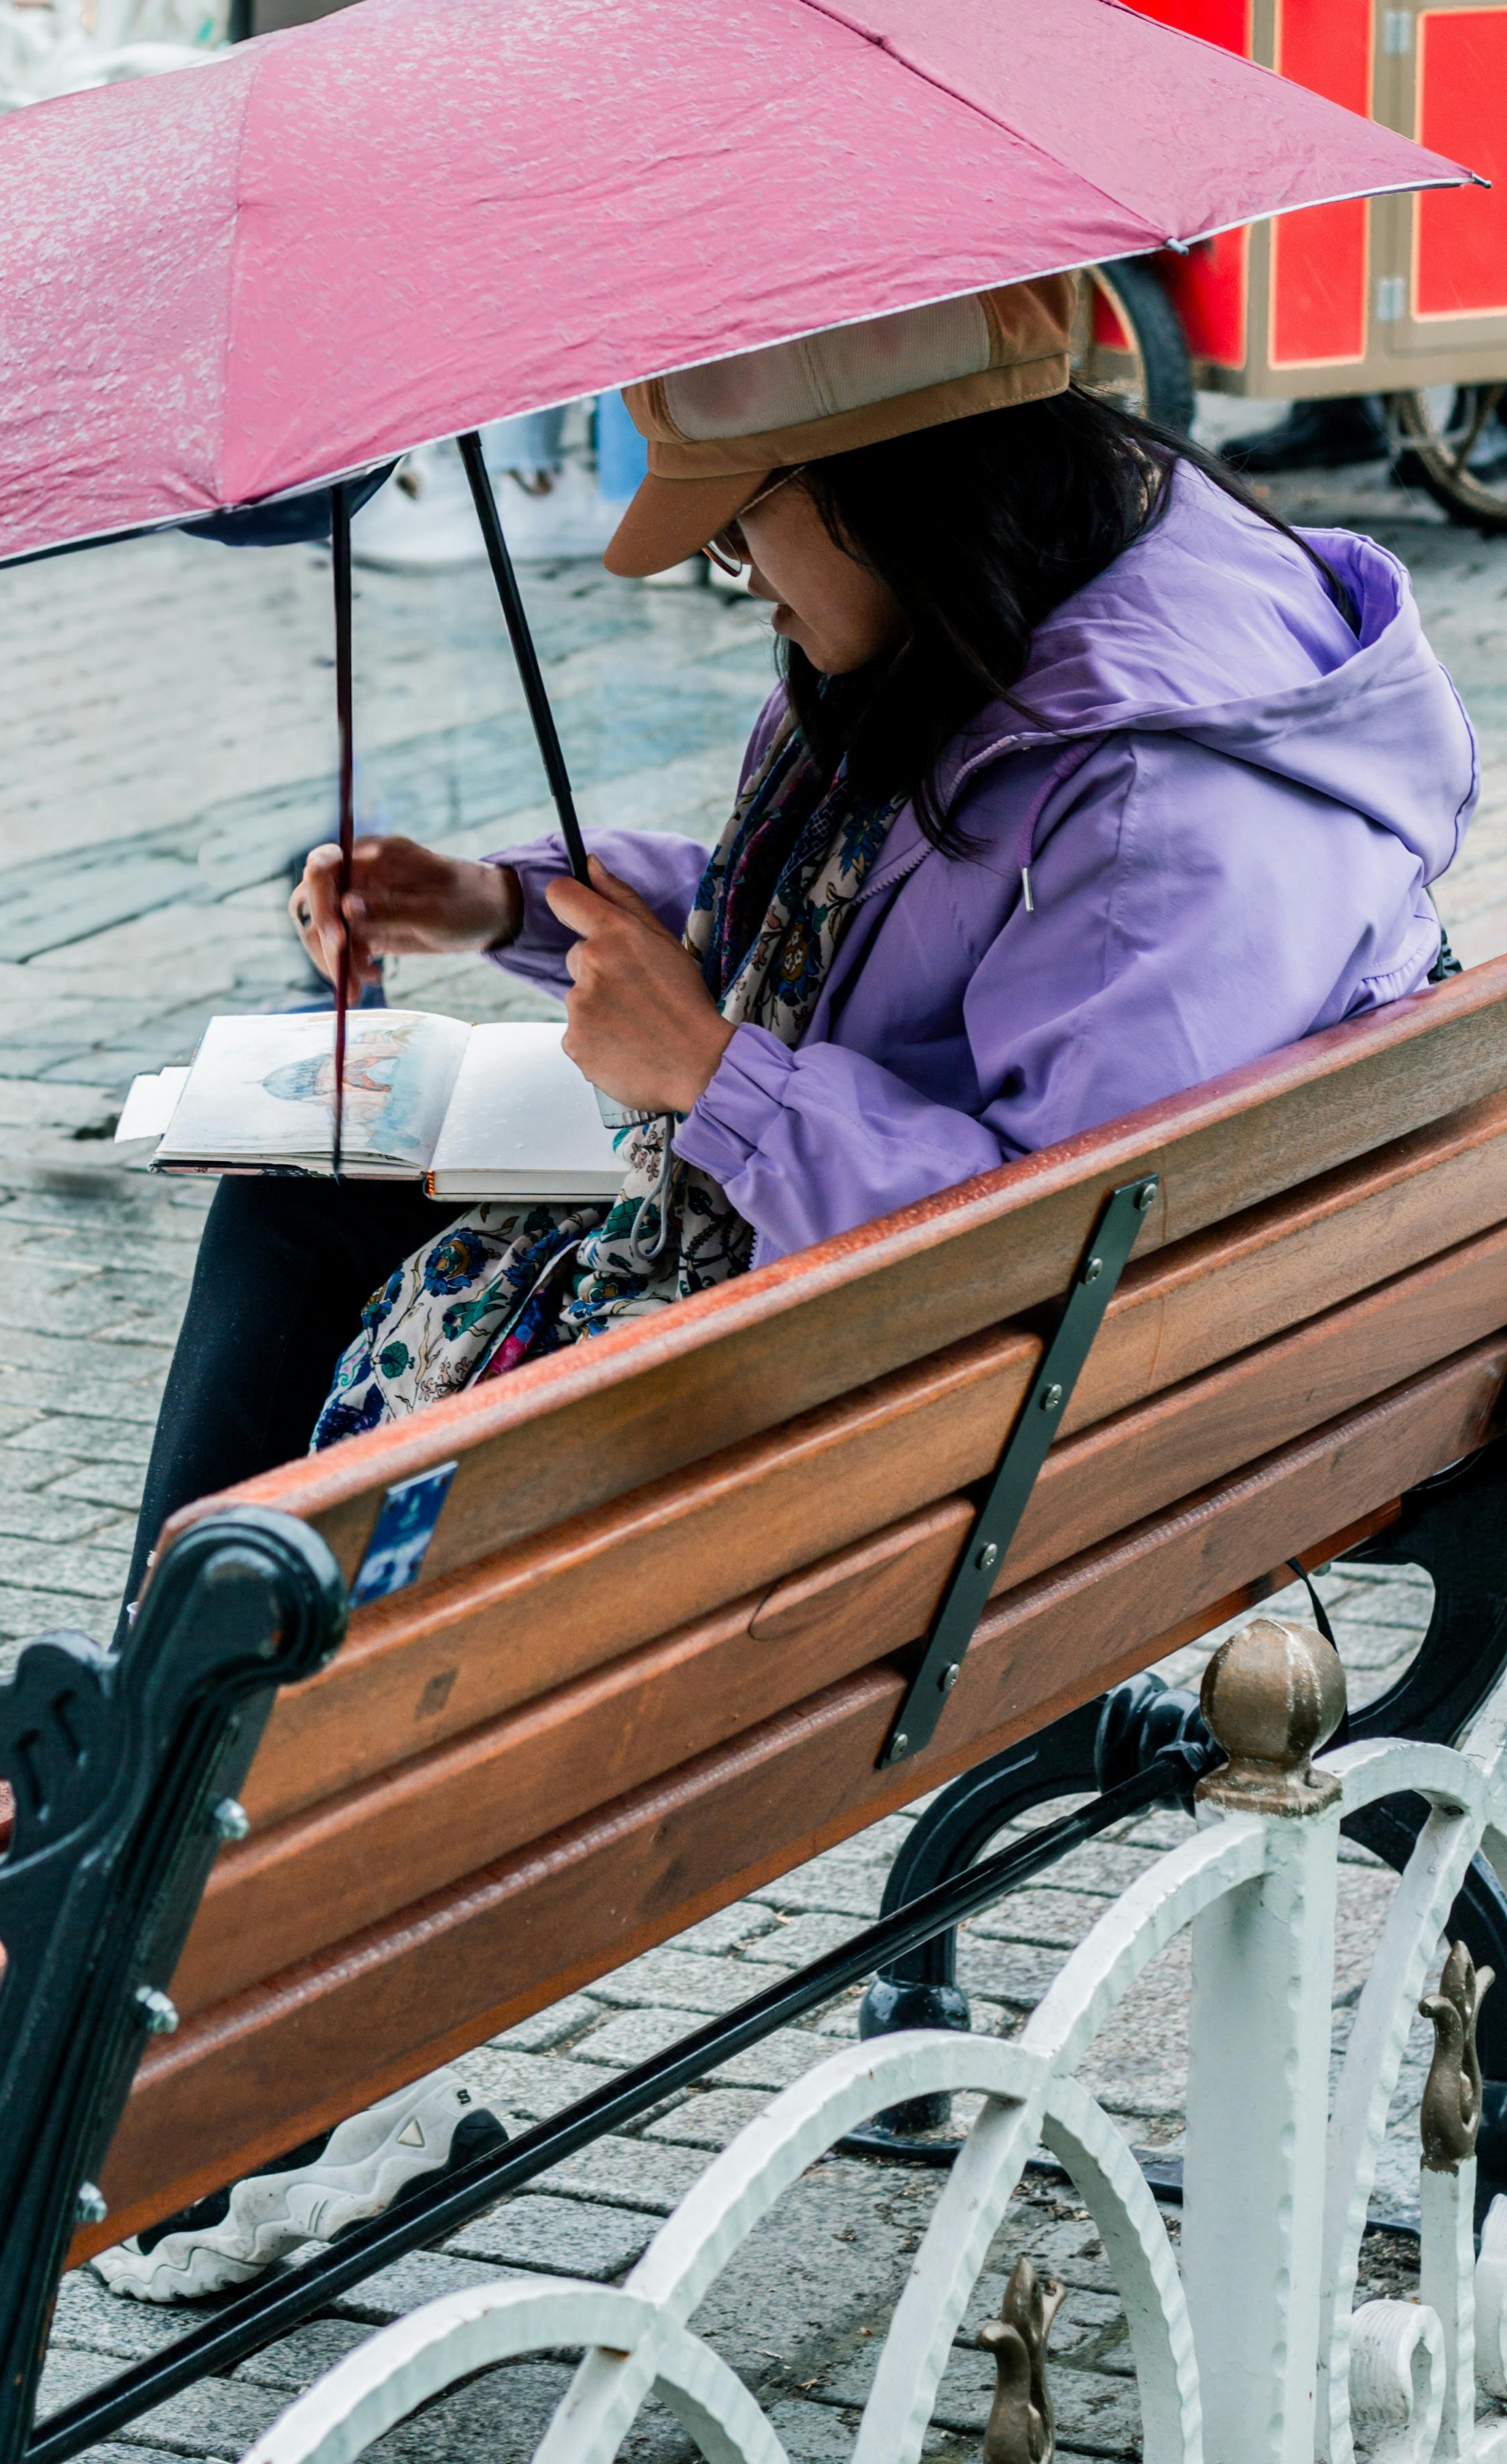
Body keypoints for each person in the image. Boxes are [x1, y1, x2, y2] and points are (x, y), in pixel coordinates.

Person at [98, 274, 1474, 2307]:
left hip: (979, 1457)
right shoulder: (1007, 634)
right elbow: (833, 909)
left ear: (899, 493)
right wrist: (510, 900)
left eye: (754, 521)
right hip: (909, 1369)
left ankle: (224, 1955)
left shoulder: (1165, 801)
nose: (741, 568)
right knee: (305, 1212)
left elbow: (1089, 1259)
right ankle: (166, 1801)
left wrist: (722, 1082)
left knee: (385, 1497)